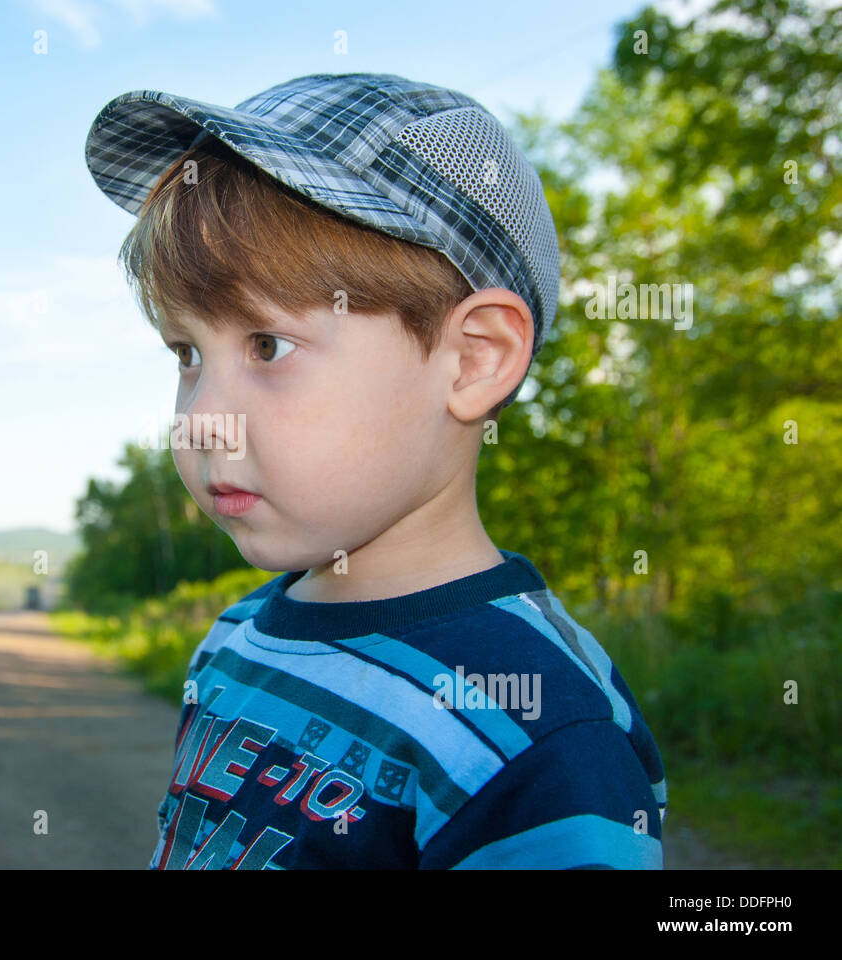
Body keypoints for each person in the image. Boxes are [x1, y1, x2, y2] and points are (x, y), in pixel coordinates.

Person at [83, 73, 666, 869]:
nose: (200, 419)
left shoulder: (538, 732)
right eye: (187, 354)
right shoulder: (238, 640)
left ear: (472, 360)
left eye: (268, 346)